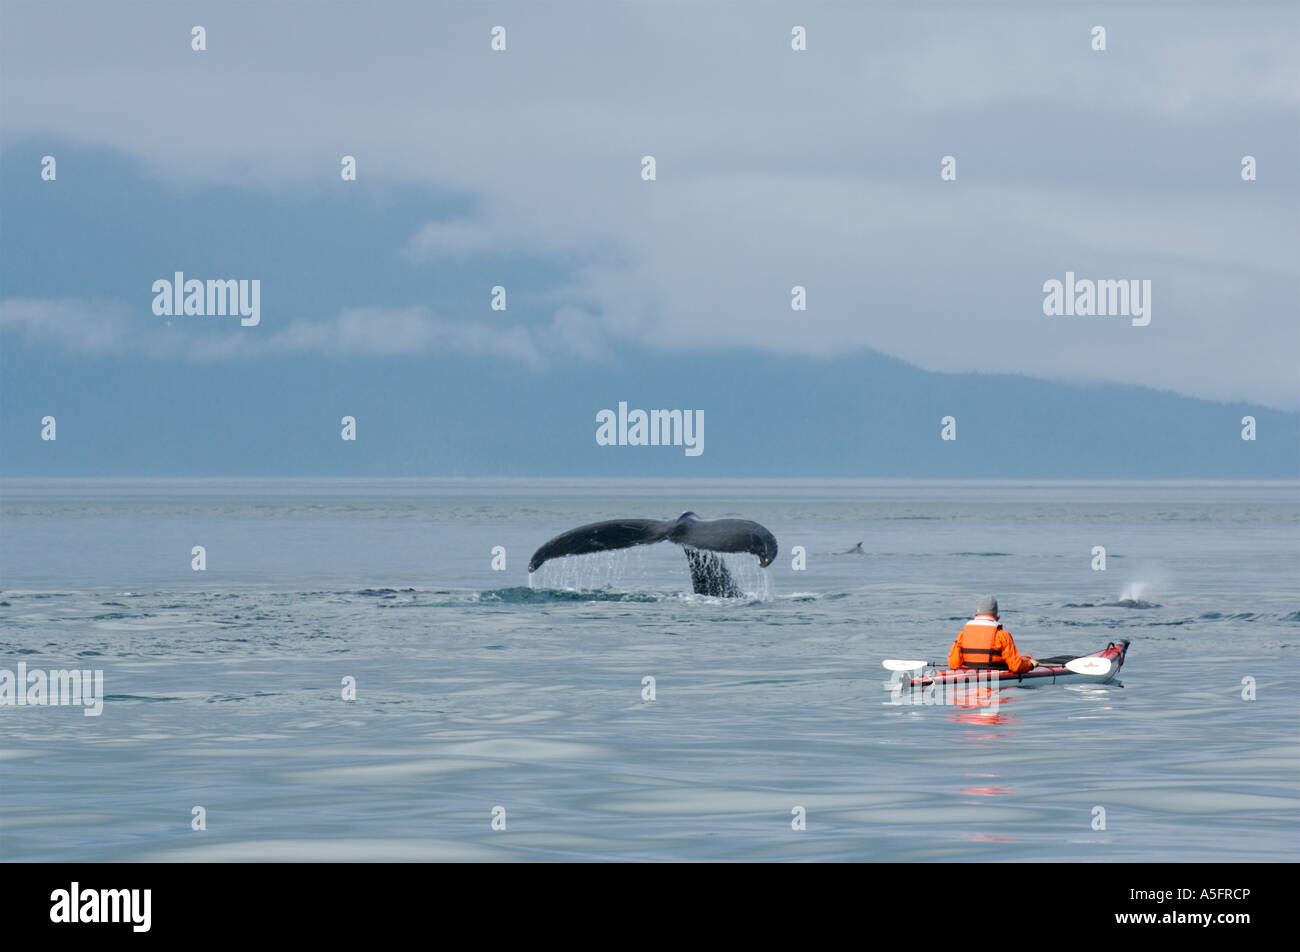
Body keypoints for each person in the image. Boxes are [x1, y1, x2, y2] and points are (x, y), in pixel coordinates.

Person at [947, 596, 1036, 673]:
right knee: (1027, 658)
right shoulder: (1002, 635)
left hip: (969, 674)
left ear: (976, 615)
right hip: (995, 675)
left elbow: (953, 664)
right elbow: (1016, 667)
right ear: (997, 617)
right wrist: (1030, 665)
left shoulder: (962, 635)